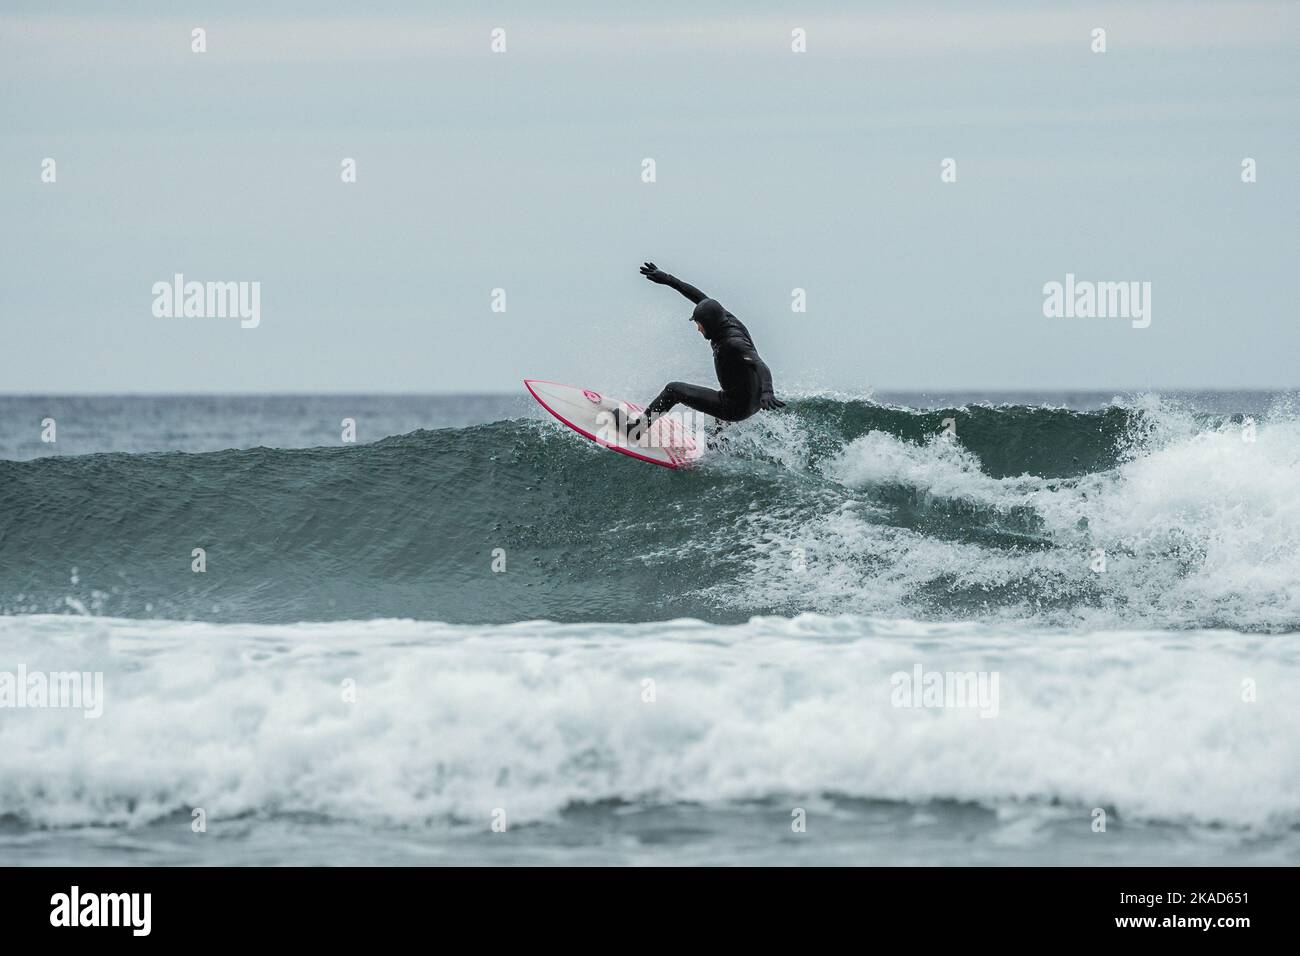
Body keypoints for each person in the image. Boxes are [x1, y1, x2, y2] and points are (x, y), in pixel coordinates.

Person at [619, 262, 784, 441]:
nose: (698, 329)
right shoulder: (723, 317)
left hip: (737, 406)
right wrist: (667, 279)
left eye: (700, 325)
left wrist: (768, 392)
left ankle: (635, 431)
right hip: (749, 401)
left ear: (710, 324)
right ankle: (716, 446)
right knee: (723, 402)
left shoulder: (733, 342)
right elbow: (700, 298)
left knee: (673, 390)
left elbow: (759, 364)